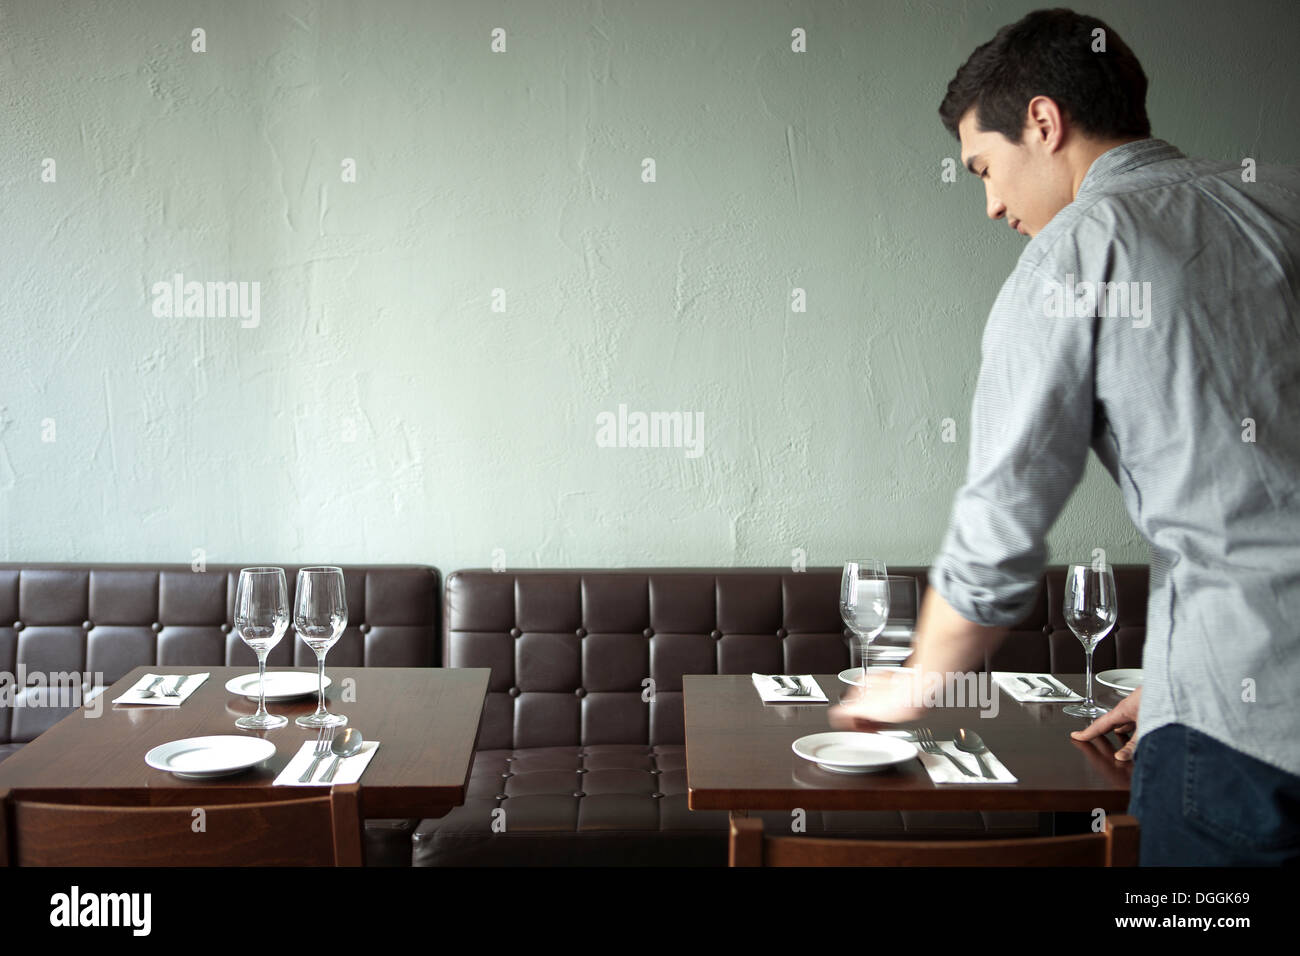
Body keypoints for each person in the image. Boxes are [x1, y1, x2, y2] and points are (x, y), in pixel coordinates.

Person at [829, 8, 1300, 865]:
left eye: (984, 167)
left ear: (1043, 124)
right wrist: (1171, 679)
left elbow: (1002, 516)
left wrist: (918, 682)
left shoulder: (1076, 256)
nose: (991, 202)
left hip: (1244, 752)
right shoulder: (1281, 198)